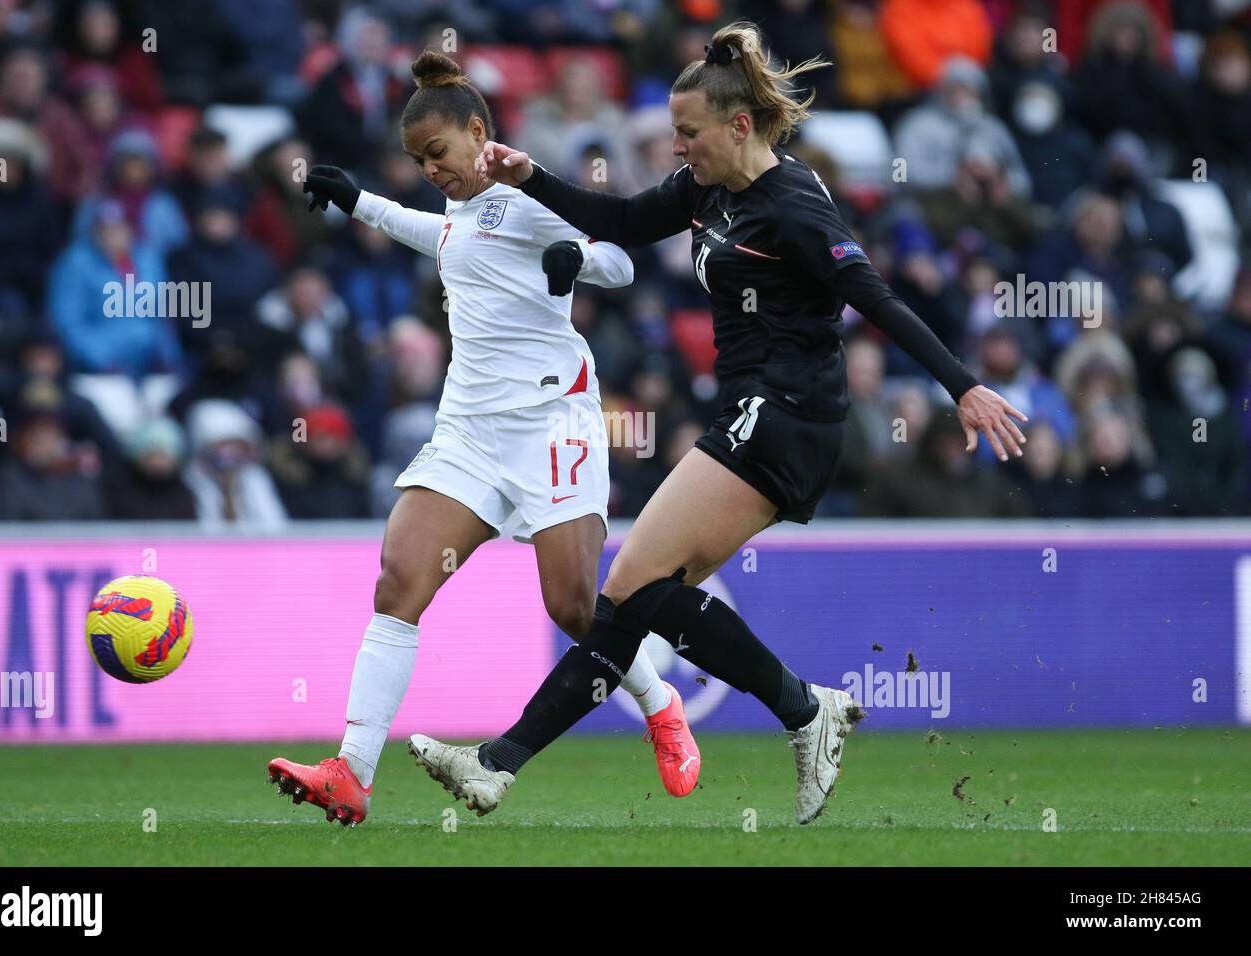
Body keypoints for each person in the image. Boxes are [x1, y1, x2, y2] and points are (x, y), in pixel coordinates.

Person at [409, 21, 1028, 825]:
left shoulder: (795, 207)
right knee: (630, 605)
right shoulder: (709, 190)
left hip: (791, 417)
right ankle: (499, 767)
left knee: (632, 586)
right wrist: (533, 178)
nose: (676, 147)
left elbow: (875, 296)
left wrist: (962, 385)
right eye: (673, 132)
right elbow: (624, 222)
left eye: (688, 133)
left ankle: (806, 711)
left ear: (739, 127)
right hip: (750, 411)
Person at [267, 51, 701, 828]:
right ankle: (350, 771)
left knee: (574, 607)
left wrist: (577, 262)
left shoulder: (527, 193)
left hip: (552, 423)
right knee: (400, 580)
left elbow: (620, 261)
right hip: (469, 429)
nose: (431, 170)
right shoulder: (463, 212)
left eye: (437, 154)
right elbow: (435, 234)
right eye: (417, 161)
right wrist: (356, 199)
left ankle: (662, 704)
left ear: (478, 132)